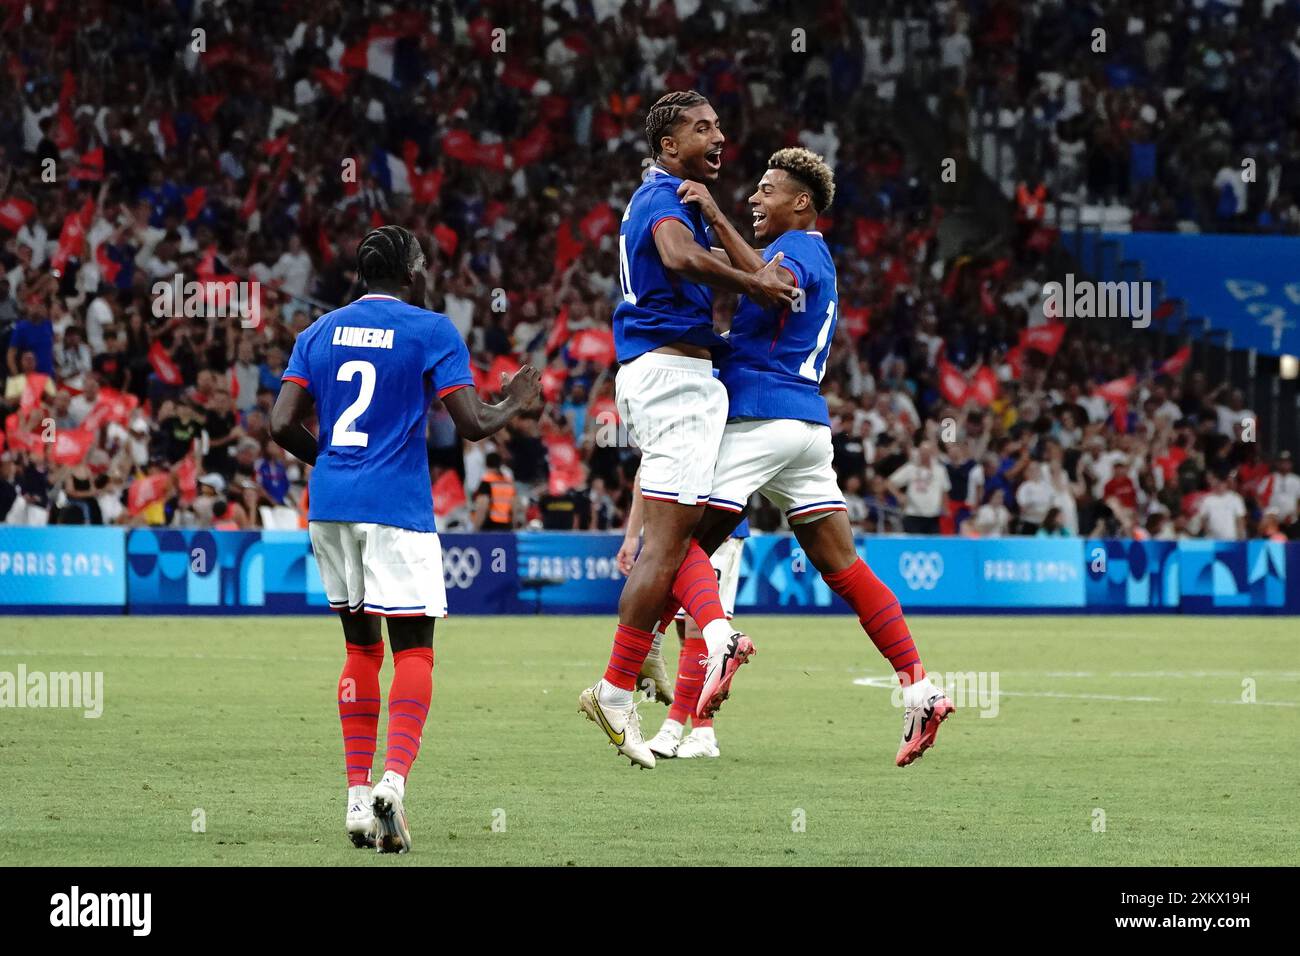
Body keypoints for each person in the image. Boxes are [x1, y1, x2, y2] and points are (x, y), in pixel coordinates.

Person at [668, 147, 953, 767]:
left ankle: (717, 642)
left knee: (679, 545)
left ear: (801, 203)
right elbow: (740, 273)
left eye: (766, 191)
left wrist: (712, 213)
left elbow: (770, 289)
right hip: (804, 429)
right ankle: (919, 687)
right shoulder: (800, 252)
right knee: (845, 569)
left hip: (760, 418)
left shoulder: (801, 249)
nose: (754, 199)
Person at [270, 225, 540, 853]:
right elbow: (471, 425)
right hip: (397, 508)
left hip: (331, 507)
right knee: (414, 651)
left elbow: (282, 423)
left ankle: (357, 800)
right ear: (412, 274)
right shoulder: (430, 329)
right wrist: (517, 403)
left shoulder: (316, 333)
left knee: (360, 650)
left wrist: (333, 466)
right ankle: (394, 781)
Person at [578, 90, 797, 769]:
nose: (718, 135)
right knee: (668, 544)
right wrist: (751, 285)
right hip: (671, 379)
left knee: (680, 537)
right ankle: (621, 683)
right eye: (702, 128)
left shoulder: (684, 197)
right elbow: (674, 257)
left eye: (719, 124)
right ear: (668, 146)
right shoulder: (660, 197)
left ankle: (653, 656)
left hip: (679, 379)